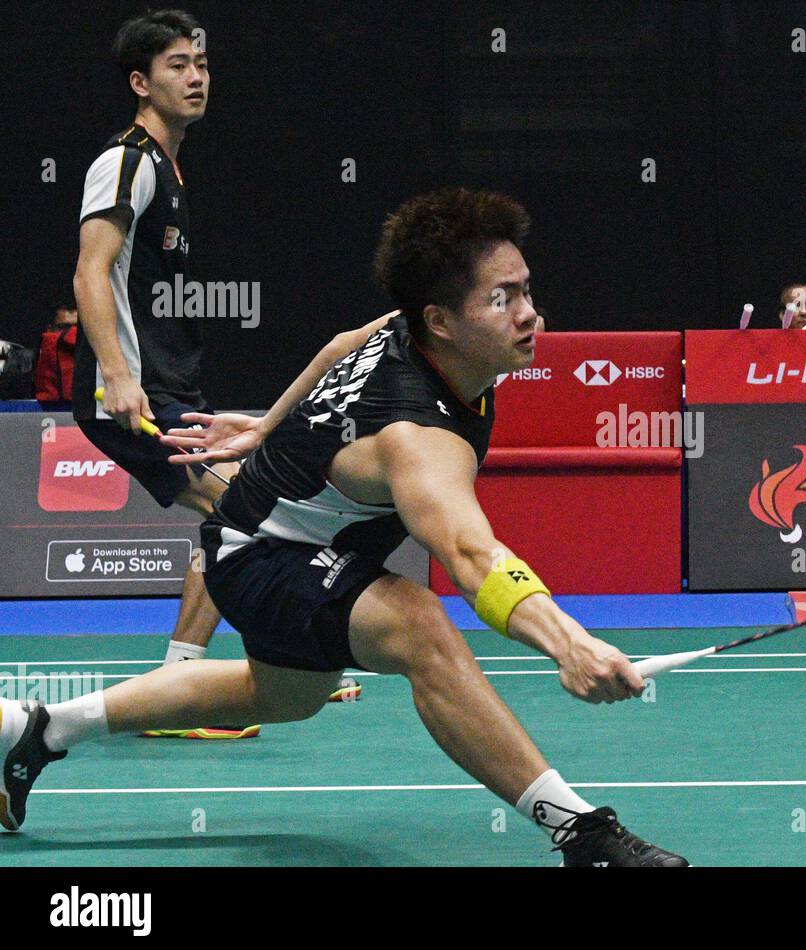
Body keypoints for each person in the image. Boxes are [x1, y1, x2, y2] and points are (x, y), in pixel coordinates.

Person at [1, 187, 689, 866]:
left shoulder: (411, 328)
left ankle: (44, 728)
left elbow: (340, 345)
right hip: (257, 553)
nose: (529, 314)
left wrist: (267, 425)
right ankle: (580, 832)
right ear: (442, 322)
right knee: (419, 624)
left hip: (277, 538)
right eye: (501, 299)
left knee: (285, 695)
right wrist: (570, 644)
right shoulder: (418, 438)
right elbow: (470, 554)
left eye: (526, 290)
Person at [69, 11, 351, 738]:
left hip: (169, 385)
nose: (196, 77)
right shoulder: (126, 162)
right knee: (248, 510)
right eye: (176, 65)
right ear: (140, 82)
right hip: (129, 391)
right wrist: (116, 374)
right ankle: (229, 677)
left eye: (200, 64)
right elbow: (90, 272)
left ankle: (192, 681)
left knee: (231, 517)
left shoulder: (169, 167)